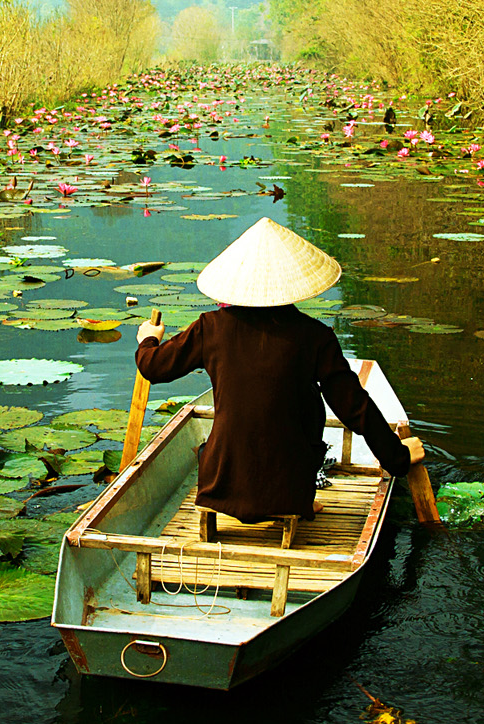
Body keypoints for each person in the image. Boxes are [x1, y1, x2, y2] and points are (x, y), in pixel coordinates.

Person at [134, 218, 423, 541]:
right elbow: (355, 408)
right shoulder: (316, 337)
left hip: (221, 482)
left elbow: (153, 367)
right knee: (310, 405)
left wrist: (149, 338)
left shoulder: (210, 328)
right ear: (293, 284)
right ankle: (302, 500)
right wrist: (396, 458)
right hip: (289, 487)